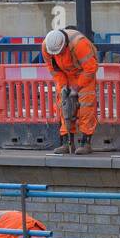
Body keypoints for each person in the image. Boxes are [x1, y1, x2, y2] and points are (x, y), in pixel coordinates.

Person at [42, 27, 99, 155]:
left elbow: (90, 68)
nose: (57, 55)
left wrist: (77, 87)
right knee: (64, 106)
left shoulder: (80, 44)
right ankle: (67, 142)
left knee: (86, 107)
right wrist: (63, 86)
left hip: (84, 75)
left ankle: (85, 143)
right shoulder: (47, 46)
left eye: (60, 52)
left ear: (65, 44)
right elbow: (53, 69)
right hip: (65, 76)